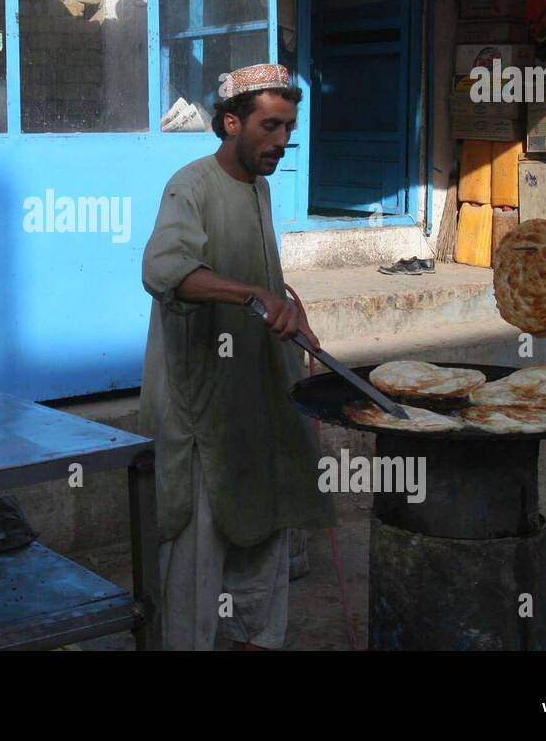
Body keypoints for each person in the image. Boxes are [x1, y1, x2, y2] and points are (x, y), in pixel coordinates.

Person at [141, 63, 333, 651]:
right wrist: (254, 294)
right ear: (231, 123)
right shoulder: (190, 185)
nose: (281, 140)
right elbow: (164, 270)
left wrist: (292, 312)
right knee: (196, 560)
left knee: (264, 532)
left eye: (288, 127)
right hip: (202, 406)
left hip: (261, 394)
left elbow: (260, 273)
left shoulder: (262, 187)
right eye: (269, 126)